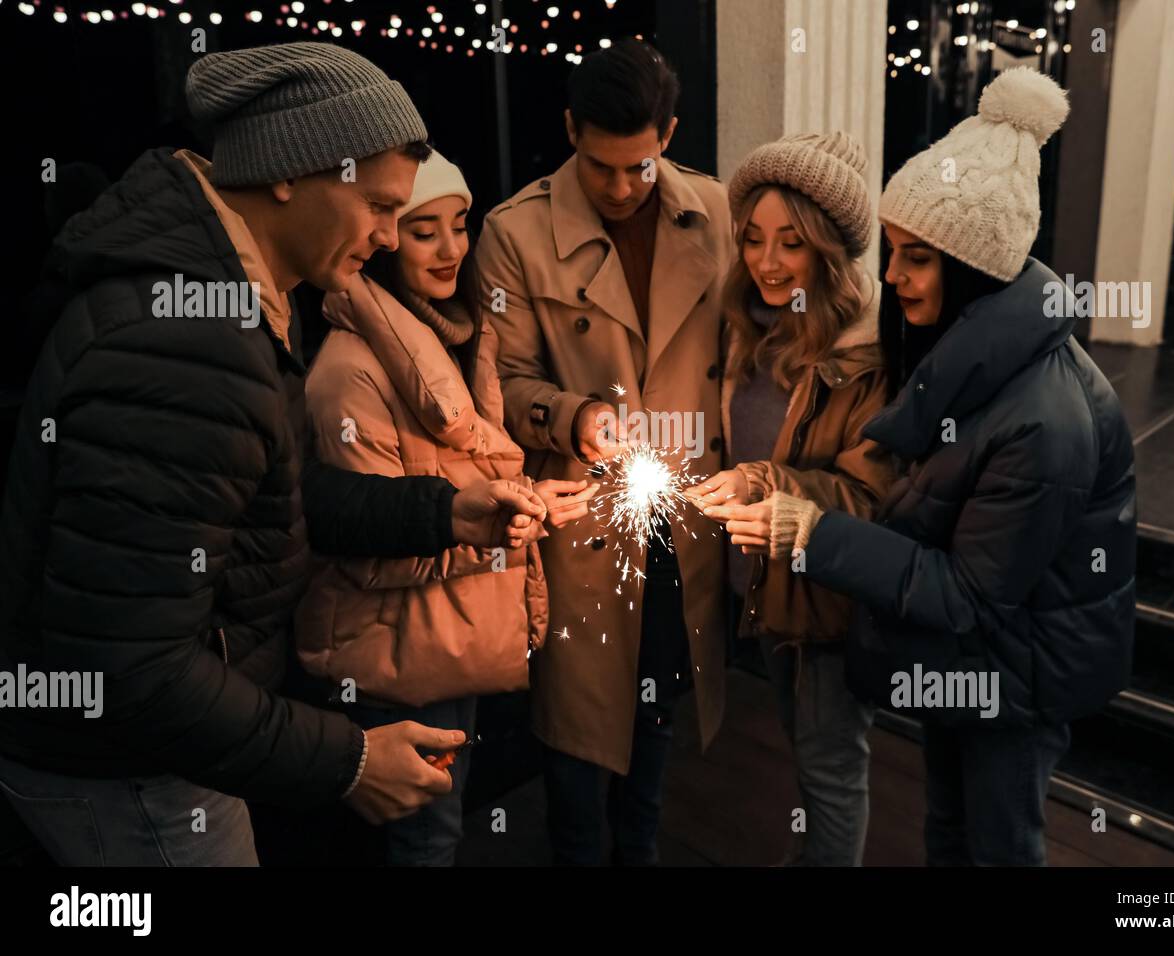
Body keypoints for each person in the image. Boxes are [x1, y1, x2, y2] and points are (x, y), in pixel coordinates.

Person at [0, 42, 543, 867]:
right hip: (134, 773)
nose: (393, 237)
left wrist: (446, 510)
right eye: (383, 207)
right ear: (292, 171)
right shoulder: (183, 338)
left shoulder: (234, 299)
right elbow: (133, 668)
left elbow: (281, 491)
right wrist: (346, 759)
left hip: (179, 746)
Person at [707, 69, 1136, 866]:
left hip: (1021, 672)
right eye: (894, 253)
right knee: (950, 832)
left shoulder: (1045, 415)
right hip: (975, 659)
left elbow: (965, 588)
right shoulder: (962, 361)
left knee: (998, 845)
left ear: (969, 268)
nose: (891, 277)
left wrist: (809, 527)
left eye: (913, 260)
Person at [296, 150, 593, 865]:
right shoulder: (349, 373)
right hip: (392, 655)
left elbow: (466, 482)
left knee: (441, 826)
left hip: (452, 643)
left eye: (460, 225)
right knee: (425, 839)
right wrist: (499, 527)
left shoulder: (461, 342)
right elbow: (369, 546)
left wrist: (528, 504)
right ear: (384, 237)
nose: (454, 248)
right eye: (425, 230)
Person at [477, 39, 730, 865]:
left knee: (659, 709)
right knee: (578, 743)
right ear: (569, 131)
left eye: (641, 166)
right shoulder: (513, 233)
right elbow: (502, 382)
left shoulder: (717, 215)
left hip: (682, 520)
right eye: (600, 167)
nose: (621, 188)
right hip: (582, 525)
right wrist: (574, 416)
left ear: (670, 133)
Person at [687, 132, 893, 866]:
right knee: (804, 756)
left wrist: (762, 484)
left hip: (828, 598)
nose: (766, 262)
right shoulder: (748, 325)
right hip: (764, 588)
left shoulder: (870, 355)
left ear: (830, 251)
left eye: (791, 244)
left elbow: (870, 495)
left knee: (832, 770)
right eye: (752, 239)